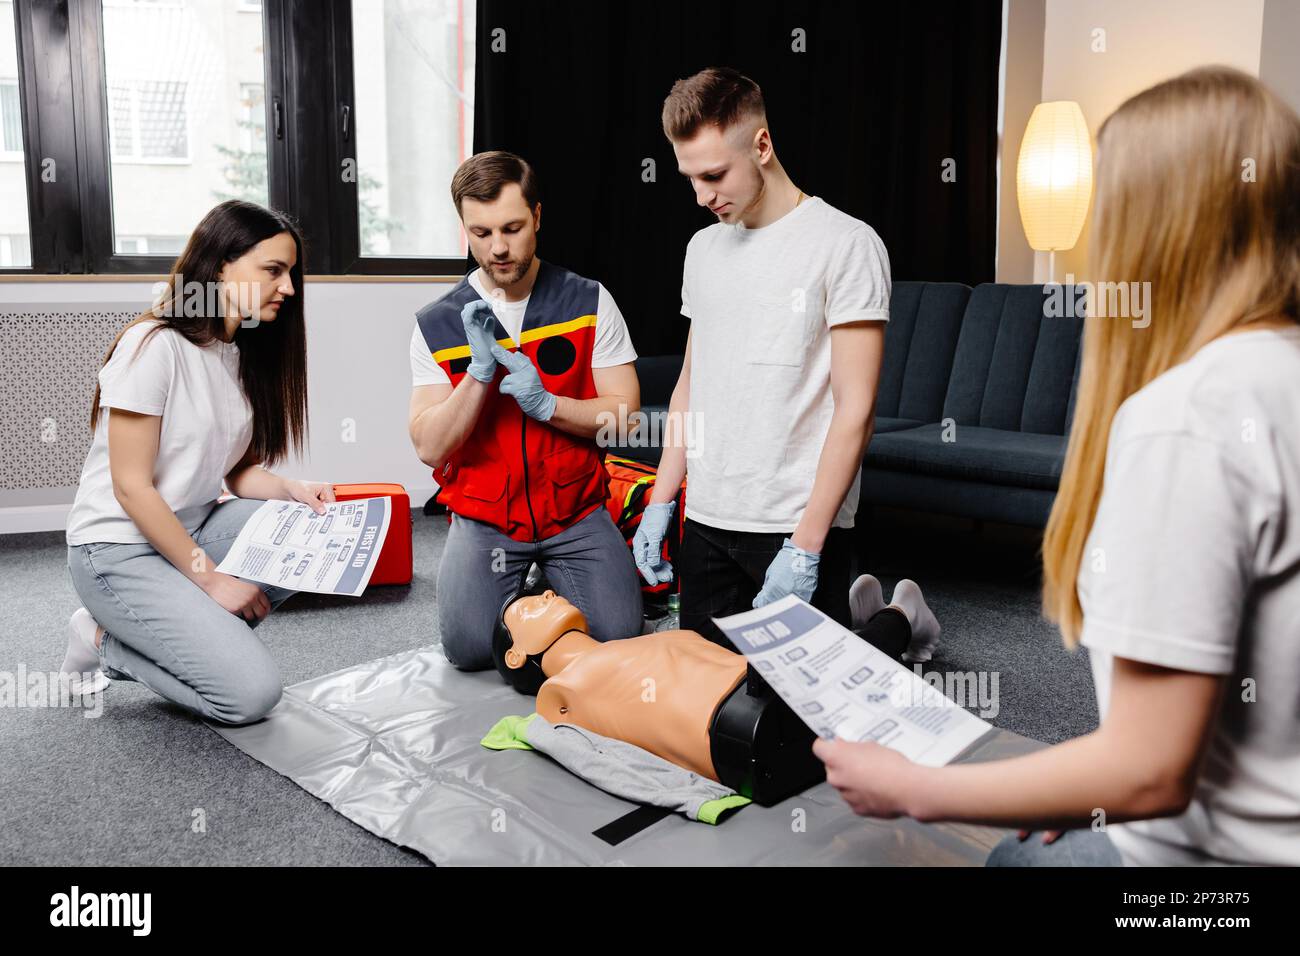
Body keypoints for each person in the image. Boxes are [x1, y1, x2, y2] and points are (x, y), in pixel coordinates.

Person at [813, 67, 1300, 867]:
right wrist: (1078, 791)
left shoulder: (1188, 420)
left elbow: (1149, 772)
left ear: (1154, 223)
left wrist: (914, 787)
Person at [633, 68, 910, 656]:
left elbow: (856, 407)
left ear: (761, 145)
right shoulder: (702, 248)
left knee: (801, 732)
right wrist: (661, 501)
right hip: (708, 518)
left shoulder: (847, 244)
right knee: (711, 714)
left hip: (794, 525)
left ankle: (902, 617)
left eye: (714, 174)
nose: (703, 196)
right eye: (690, 178)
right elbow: (690, 384)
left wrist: (808, 545)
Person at [63, 200, 334, 725]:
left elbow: (235, 471)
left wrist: (291, 489)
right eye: (273, 271)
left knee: (310, 528)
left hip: (193, 530)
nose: (289, 288)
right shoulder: (153, 345)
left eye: (291, 273)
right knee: (250, 697)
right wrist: (211, 581)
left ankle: (191, 632)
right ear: (219, 266)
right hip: (117, 550)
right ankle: (99, 639)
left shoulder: (240, 352)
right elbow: (131, 488)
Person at [409, 151, 644, 670]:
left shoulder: (589, 301)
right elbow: (428, 445)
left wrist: (548, 404)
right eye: (481, 232)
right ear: (464, 229)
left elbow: (625, 415)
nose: (497, 248)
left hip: (574, 513)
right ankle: (528, 593)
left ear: (537, 216)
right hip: (486, 518)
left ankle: (542, 588)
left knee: (618, 638)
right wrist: (477, 373)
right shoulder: (436, 323)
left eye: (512, 228)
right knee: (468, 650)